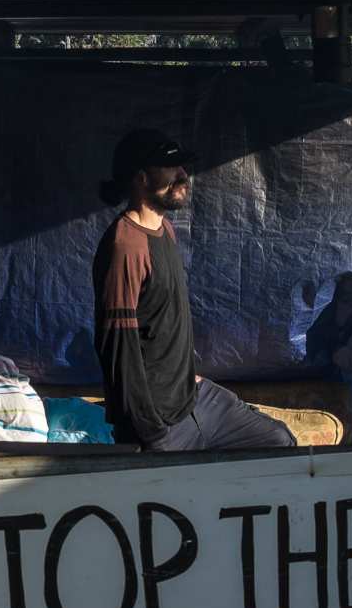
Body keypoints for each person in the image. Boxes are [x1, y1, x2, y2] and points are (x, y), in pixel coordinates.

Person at [93, 129, 295, 451]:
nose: (183, 175)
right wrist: (151, 432)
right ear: (142, 177)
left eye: (183, 167)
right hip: (159, 425)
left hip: (195, 398)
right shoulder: (126, 245)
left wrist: (190, 379)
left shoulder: (165, 230)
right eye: (171, 168)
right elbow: (117, 347)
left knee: (278, 441)